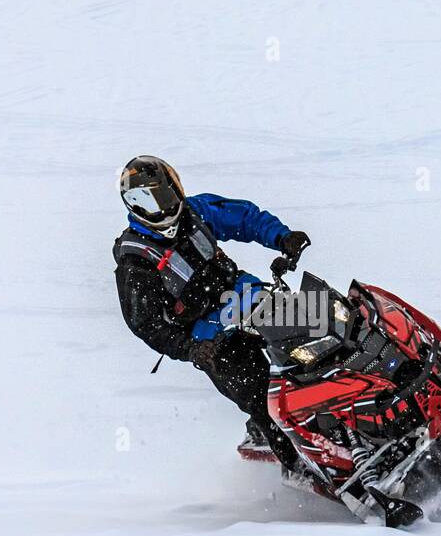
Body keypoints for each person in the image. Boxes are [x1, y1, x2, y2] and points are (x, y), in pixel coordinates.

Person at [112, 156, 312, 472]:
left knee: (316, 331)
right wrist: (192, 349)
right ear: (135, 205)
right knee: (263, 396)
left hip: (245, 296)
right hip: (209, 336)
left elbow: (243, 217)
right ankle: (305, 470)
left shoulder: (194, 211)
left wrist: (281, 237)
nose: (164, 207)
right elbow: (146, 324)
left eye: (166, 194)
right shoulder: (136, 260)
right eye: (150, 200)